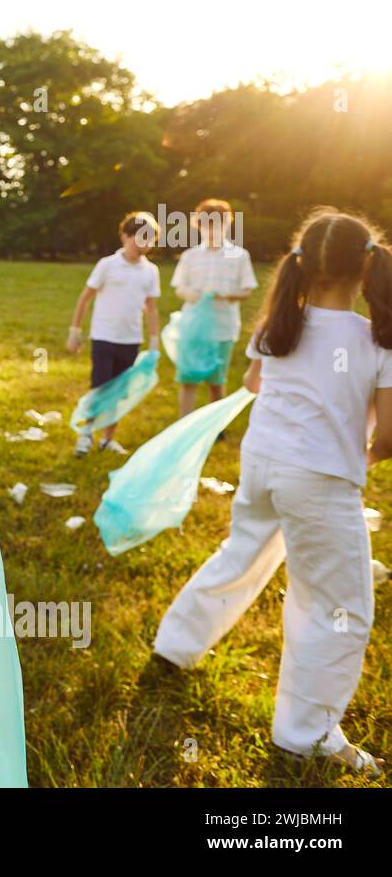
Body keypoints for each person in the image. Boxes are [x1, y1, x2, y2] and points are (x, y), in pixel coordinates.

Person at [153, 208, 392, 778]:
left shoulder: (276, 326)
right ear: (365, 270)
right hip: (319, 480)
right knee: (340, 607)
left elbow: (256, 383)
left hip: (262, 464)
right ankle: (305, 734)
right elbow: (388, 434)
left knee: (242, 553)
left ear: (303, 266)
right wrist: (356, 455)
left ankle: (175, 645)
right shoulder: (375, 341)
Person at [67, 212, 162, 456]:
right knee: (100, 388)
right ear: (125, 236)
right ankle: (86, 435)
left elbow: (151, 307)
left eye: (149, 239)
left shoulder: (150, 271)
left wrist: (154, 340)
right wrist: (75, 331)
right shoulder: (107, 265)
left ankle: (107, 440)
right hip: (104, 336)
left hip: (131, 340)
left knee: (119, 392)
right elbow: (85, 298)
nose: (144, 244)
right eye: (139, 238)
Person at [171, 198, 258, 417]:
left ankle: (215, 426)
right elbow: (179, 288)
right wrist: (190, 295)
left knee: (216, 381)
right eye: (207, 225)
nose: (212, 230)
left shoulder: (238, 255)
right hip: (194, 327)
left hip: (223, 327)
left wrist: (226, 295)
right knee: (188, 378)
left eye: (217, 224)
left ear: (227, 225)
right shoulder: (190, 256)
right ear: (198, 226)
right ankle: (183, 426)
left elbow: (247, 291)